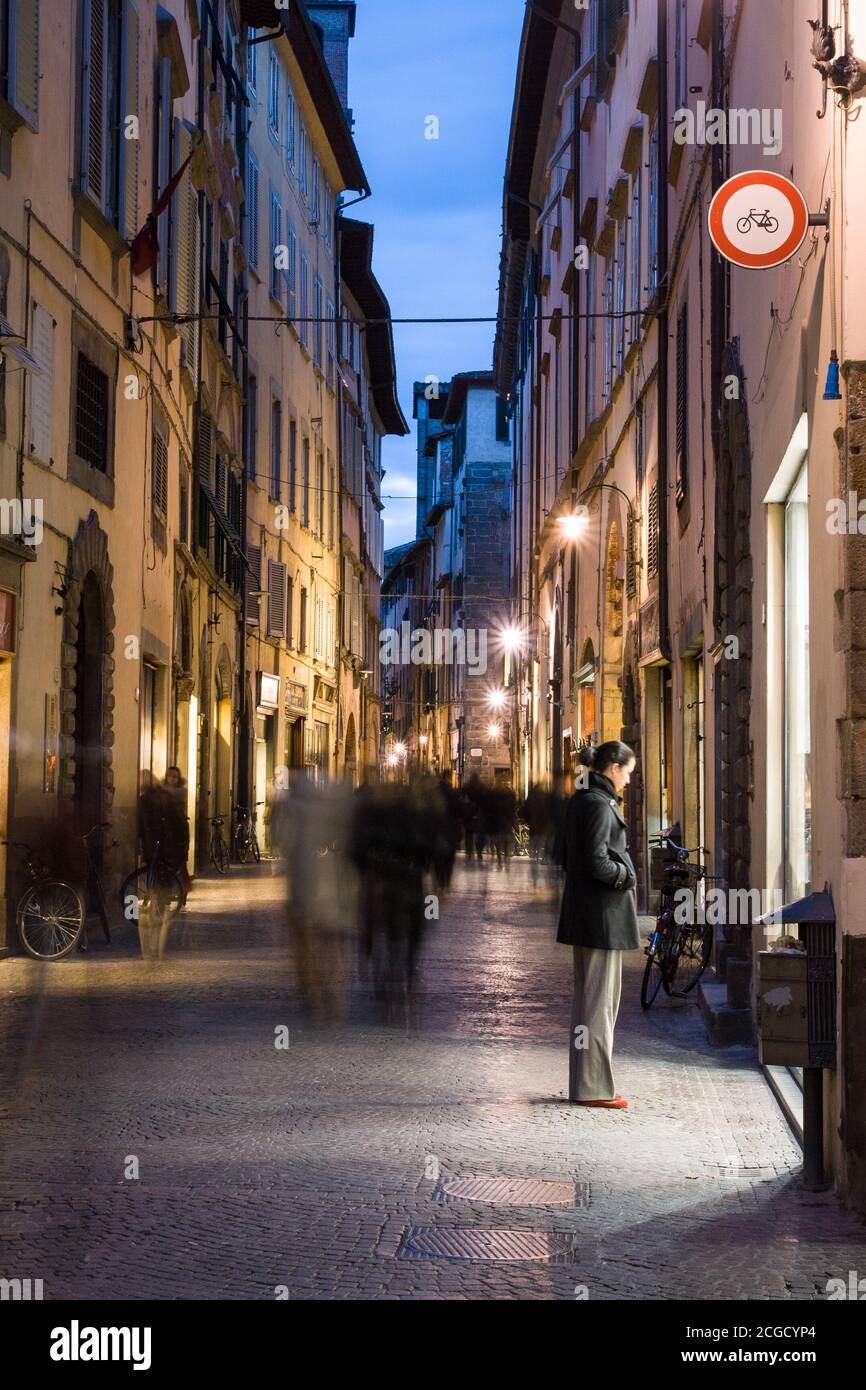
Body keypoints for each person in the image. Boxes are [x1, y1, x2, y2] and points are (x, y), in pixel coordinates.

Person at [557, 741, 639, 1109]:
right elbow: (595, 862)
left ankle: (587, 1084)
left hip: (592, 917)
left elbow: (565, 855)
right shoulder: (597, 804)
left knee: (592, 1003)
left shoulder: (583, 798)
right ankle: (593, 1088)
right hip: (601, 918)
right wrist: (624, 876)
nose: (628, 781)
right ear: (612, 767)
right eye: (628, 772)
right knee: (598, 1006)